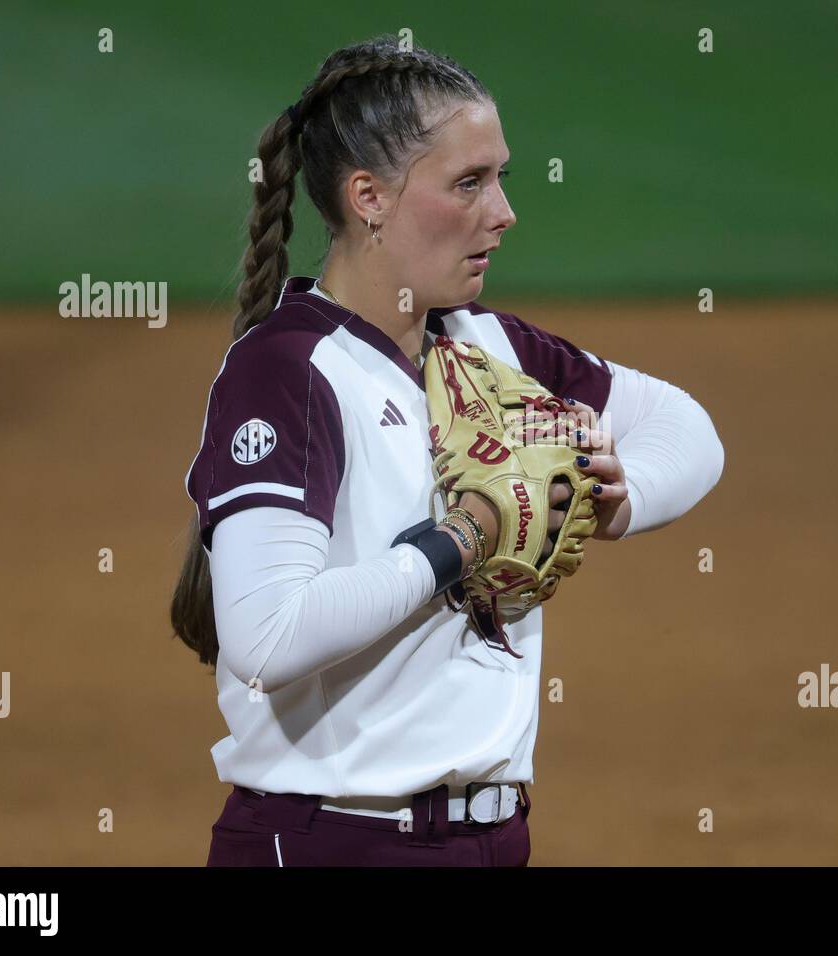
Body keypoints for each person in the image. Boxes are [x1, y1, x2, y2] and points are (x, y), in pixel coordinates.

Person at [169, 35, 724, 866]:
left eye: (500, 178)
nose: (503, 213)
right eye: (468, 183)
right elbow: (267, 637)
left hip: (495, 840)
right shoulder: (288, 369)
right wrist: (461, 540)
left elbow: (688, 429)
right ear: (370, 198)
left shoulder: (487, 346)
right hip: (332, 841)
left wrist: (620, 495)